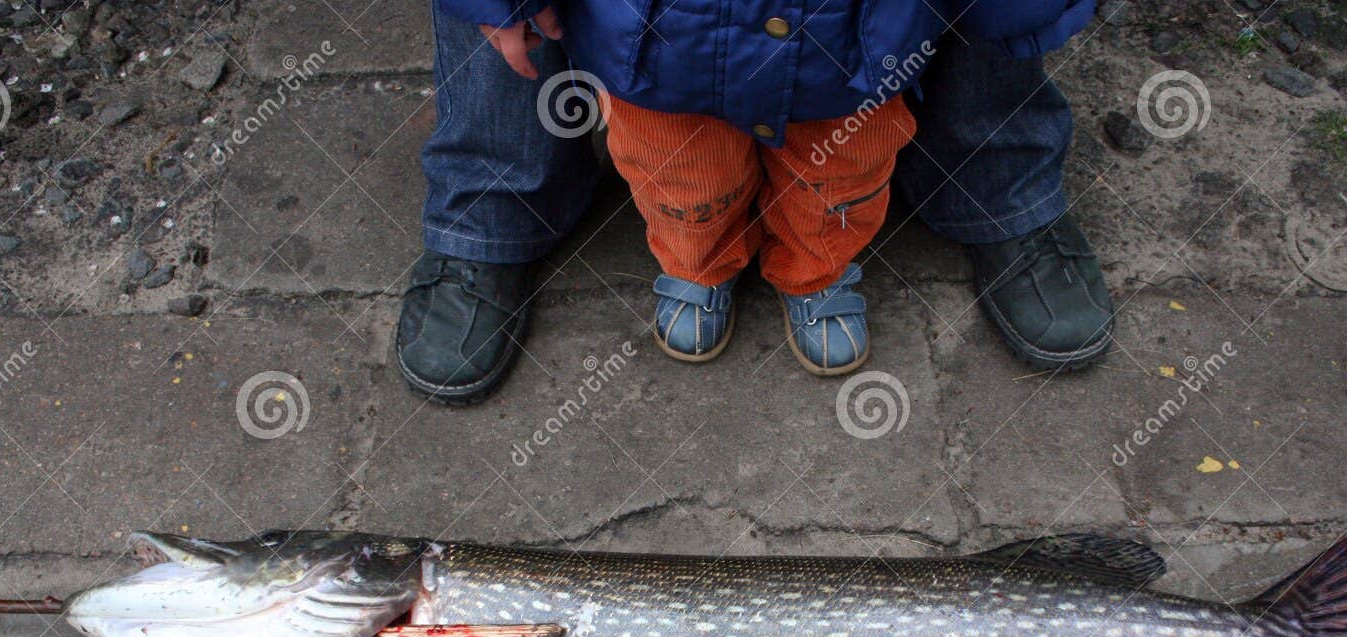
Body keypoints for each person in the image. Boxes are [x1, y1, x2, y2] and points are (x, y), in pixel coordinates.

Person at [399, 1, 1112, 403]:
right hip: (656, 46)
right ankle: (698, 265)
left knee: (840, 170)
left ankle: (817, 269)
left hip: (861, 42)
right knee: (680, 176)